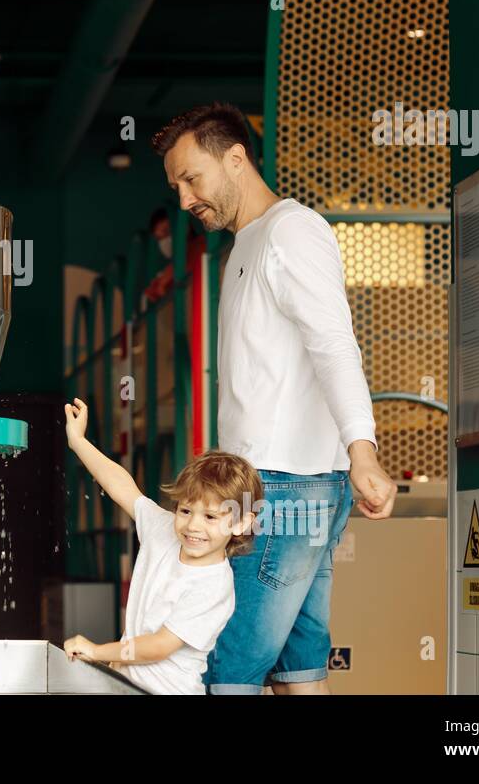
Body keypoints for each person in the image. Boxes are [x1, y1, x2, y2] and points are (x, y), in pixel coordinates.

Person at [151, 102, 397, 695]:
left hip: (282, 484)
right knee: (299, 667)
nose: (185, 199)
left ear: (235, 159)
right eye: (176, 186)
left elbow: (334, 344)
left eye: (192, 178)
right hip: (284, 482)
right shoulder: (245, 246)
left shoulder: (291, 230)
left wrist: (362, 451)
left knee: (229, 669)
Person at [62, 398, 261, 695]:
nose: (193, 525)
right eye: (185, 510)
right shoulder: (162, 530)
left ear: (241, 524)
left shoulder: (214, 587)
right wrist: (78, 442)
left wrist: (98, 651)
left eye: (210, 516)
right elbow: (123, 486)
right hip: (127, 687)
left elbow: (158, 647)